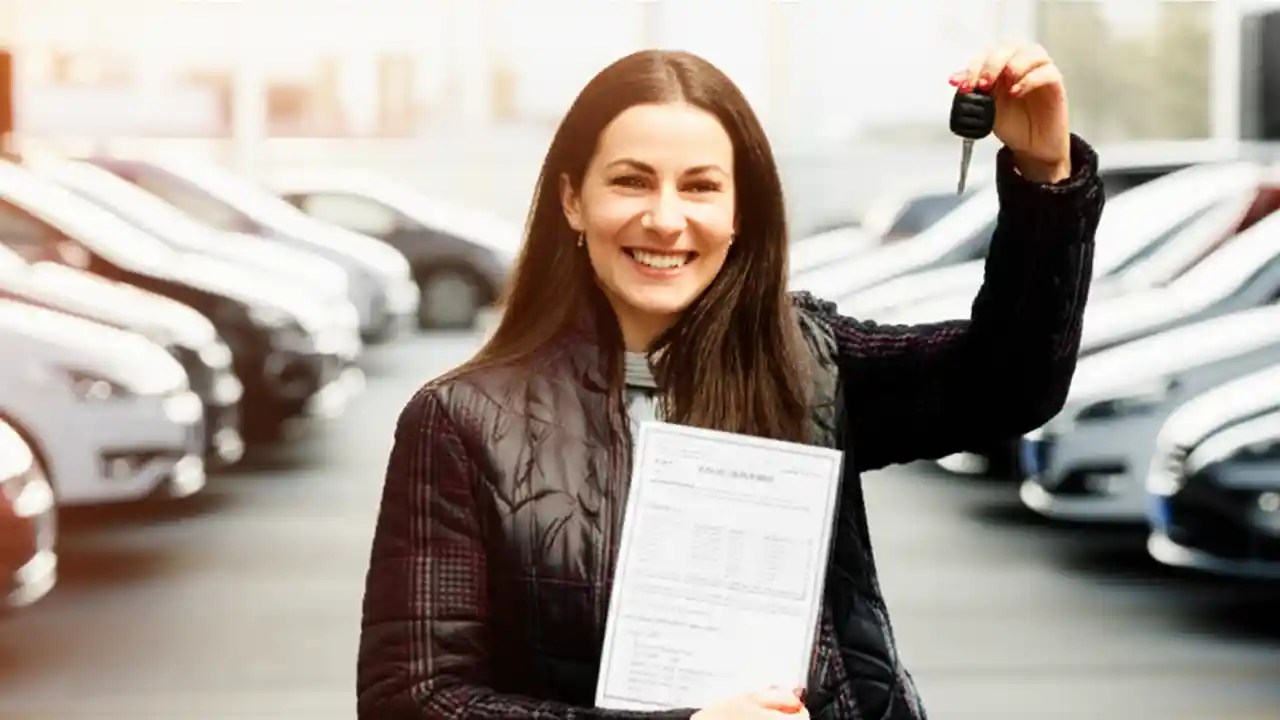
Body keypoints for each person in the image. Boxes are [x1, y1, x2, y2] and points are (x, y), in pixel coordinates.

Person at [357, 44, 1104, 720]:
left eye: (701, 187)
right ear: (572, 201)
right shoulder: (460, 421)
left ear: (740, 210)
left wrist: (1045, 180)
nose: (665, 217)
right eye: (631, 181)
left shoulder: (808, 361)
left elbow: (1010, 385)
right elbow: (415, 699)